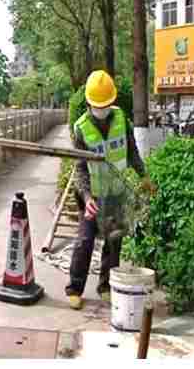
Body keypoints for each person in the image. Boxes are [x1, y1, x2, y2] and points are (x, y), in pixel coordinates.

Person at [65, 70, 152, 310]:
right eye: (97, 105)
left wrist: (143, 175)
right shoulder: (81, 128)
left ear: (112, 101)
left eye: (106, 104)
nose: (102, 110)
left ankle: (105, 286)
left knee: (114, 242)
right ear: (90, 103)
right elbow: (80, 167)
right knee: (85, 240)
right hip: (92, 195)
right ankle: (75, 288)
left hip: (116, 194)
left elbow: (132, 151)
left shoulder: (121, 119)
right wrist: (86, 196)